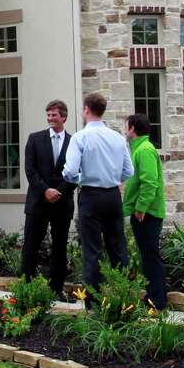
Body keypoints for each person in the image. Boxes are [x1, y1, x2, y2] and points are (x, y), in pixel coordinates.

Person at [61, 93, 134, 295]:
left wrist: (83, 177)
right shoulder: (118, 138)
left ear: (86, 109)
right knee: (118, 248)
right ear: (102, 110)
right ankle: (124, 297)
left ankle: (94, 302)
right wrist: (111, 177)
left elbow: (69, 172)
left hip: (90, 196)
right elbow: (129, 171)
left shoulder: (80, 137)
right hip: (112, 196)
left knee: (92, 251)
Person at [21, 99, 75, 297]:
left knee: (60, 248)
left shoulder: (74, 142)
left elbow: (76, 172)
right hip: (38, 201)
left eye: (54, 115)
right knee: (31, 245)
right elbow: (30, 170)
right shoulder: (34, 139)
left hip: (62, 203)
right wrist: (45, 190)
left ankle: (56, 288)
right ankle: (26, 287)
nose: (50, 119)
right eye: (48, 115)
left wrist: (58, 191)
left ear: (64, 117)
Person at [123, 114, 168, 311]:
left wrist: (141, 207)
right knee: (147, 255)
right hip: (142, 211)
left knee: (151, 256)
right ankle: (152, 295)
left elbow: (150, 182)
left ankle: (158, 301)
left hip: (147, 213)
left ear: (132, 128)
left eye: (126, 127)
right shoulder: (139, 149)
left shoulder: (145, 150)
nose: (125, 130)